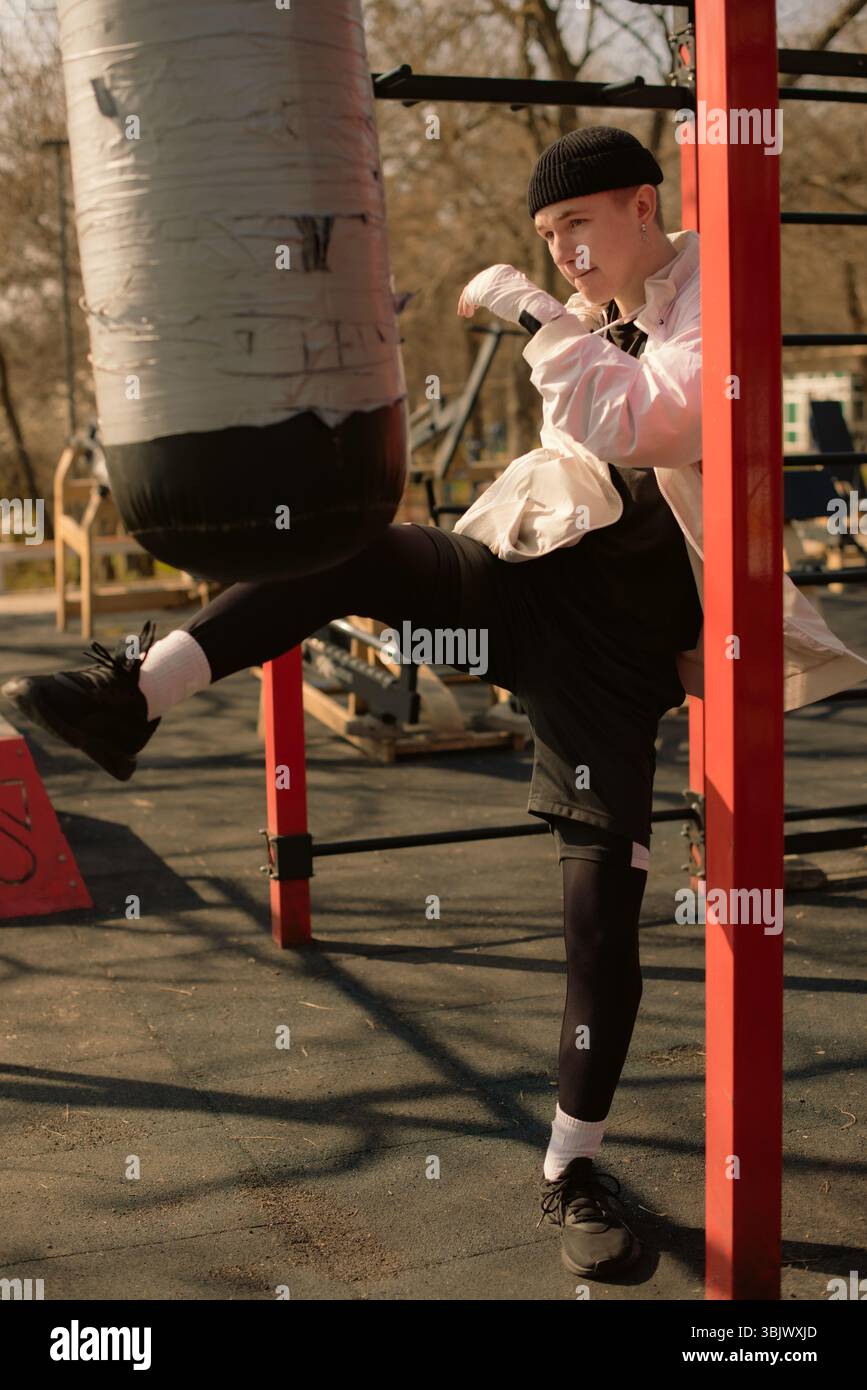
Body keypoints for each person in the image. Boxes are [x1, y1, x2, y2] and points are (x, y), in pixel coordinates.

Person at [3, 126, 710, 1281]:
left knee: (600, 924)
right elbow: (586, 454)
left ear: (644, 204)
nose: (568, 252)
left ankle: (569, 1165)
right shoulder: (608, 314)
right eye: (548, 238)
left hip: (617, 662)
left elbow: (656, 423)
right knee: (358, 552)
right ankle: (142, 692)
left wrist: (544, 316)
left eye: (580, 226)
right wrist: (560, 324)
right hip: (529, 583)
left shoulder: (701, 300)